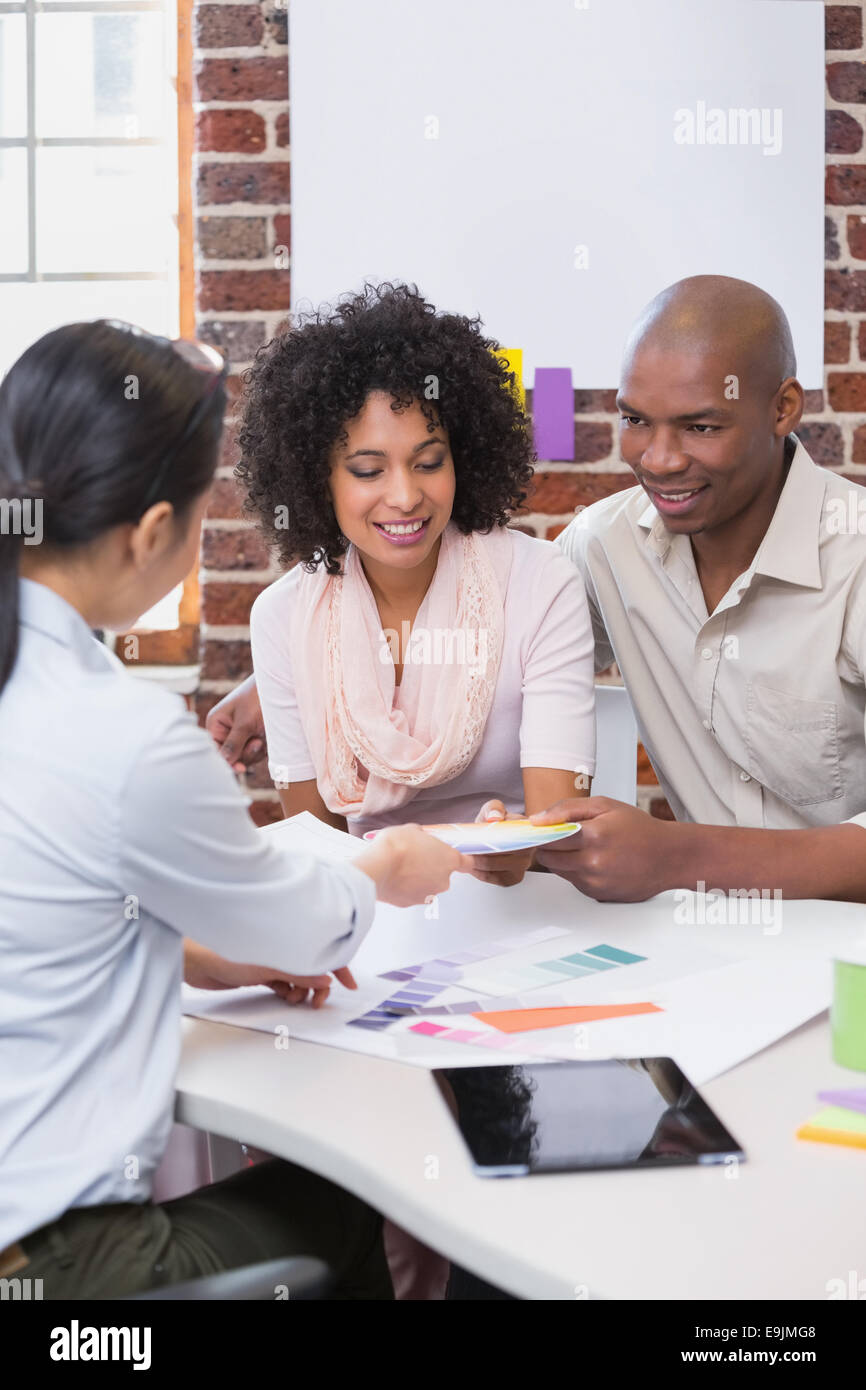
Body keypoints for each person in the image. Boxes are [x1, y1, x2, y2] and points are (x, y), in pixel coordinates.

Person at [0, 320, 468, 1299]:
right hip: (59, 1263)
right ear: (148, 533)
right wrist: (389, 865)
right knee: (361, 1189)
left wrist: (200, 957)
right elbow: (306, 920)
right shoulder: (125, 739)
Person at [238, 282, 596, 890]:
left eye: (429, 463)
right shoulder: (282, 617)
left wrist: (513, 856)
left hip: (526, 901)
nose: (404, 497)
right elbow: (312, 851)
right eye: (368, 470)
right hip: (374, 909)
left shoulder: (541, 585)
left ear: (465, 458)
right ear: (314, 477)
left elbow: (556, 833)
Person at [533, 275, 866, 900]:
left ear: (782, 408)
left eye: (701, 427)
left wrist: (681, 856)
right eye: (636, 420)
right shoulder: (604, 545)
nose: (658, 460)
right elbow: (510, 674)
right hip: (697, 952)